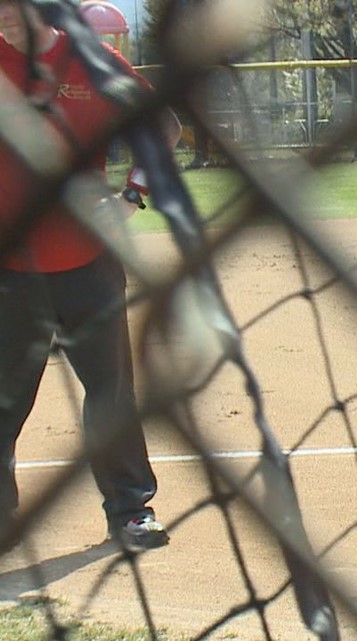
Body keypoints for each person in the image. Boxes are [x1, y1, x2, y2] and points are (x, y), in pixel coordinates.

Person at [0, 0, 181, 553]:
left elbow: (164, 126)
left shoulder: (91, 61)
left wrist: (131, 196)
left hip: (88, 261)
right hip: (10, 269)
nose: (3, 18)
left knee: (110, 393)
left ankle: (130, 511)